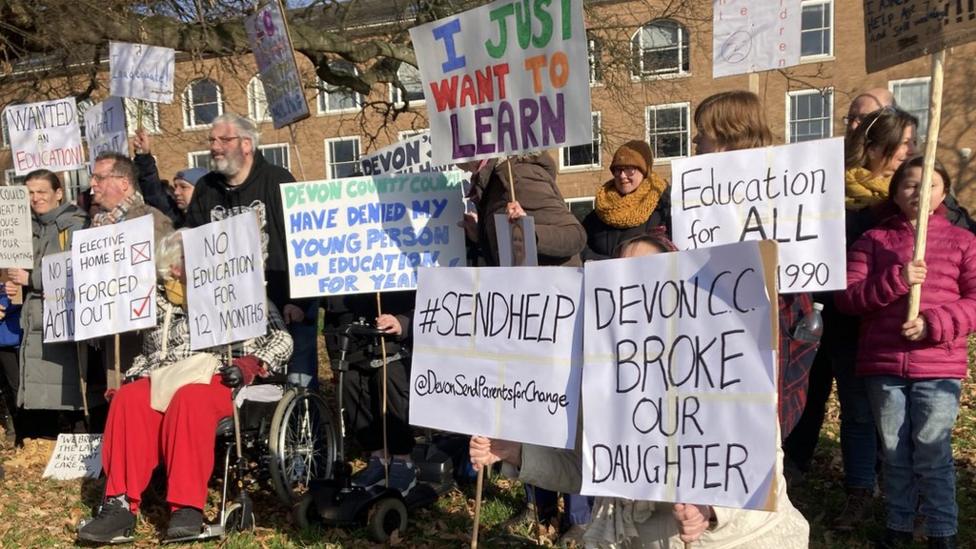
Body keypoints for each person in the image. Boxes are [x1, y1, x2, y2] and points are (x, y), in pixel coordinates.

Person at [470, 233, 810, 549]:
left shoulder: (724, 358)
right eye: (622, 276)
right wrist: (517, 452)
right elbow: (583, 468)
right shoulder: (604, 372)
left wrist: (711, 509)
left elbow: (760, 464)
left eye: (648, 273)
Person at [77, 230, 293, 544]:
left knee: (190, 399)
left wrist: (249, 364)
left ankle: (186, 507)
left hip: (221, 374)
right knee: (128, 399)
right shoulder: (159, 304)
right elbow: (151, 356)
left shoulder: (241, 290)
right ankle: (119, 504)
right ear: (174, 268)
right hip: (169, 375)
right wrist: (134, 376)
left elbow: (282, 339)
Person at [836, 156, 971, 549]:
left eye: (930, 184)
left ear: (943, 194)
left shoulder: (963, 241)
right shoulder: (873, 241)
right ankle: (898, 525)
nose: (919, 192)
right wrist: (898, 278)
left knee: (932, 448)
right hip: (884, 364)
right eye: (910, 184)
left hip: (938, 365)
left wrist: (935, 323)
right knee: (894, 450)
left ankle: (942, 531)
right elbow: (849, 297)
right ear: (895, 193)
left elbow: (974, 300)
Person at [457, 151, 587, 543]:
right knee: (531, 412)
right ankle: (540, 508)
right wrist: (482, 237)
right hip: (525, 324)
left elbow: (574, 235)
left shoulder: (519, 173)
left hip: (552, 323)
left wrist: (530, 228)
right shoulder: (488, 183)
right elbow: (514, 256)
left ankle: (579, 518)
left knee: (564, 418)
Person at [691, 90, 818, 440]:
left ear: (727, 134)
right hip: (711, 322)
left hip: (771, 318)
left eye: (702, 132)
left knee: (762, 425)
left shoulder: (782, 188)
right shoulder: (694, 194)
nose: (695, 141)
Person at [183, 113, 319, 388]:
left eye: (224, 139)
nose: (215, 147)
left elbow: (303, 244)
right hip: (229, 313)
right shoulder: (206, 189)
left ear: (246, 144)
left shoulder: (278, 180)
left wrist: (300, 301)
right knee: (239, 389)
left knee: (297, 386)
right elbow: (194, 246)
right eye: (212, 140)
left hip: (285, 305)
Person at [4, 170, 97, 440]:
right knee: (42, 394)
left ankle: (77, 445)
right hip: (33, 322)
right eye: (30, 193)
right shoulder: (26, 228)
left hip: (63, 322)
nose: (35, 198)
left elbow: (75, 269)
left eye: (42, 192)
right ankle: (45, 446)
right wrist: (15, 286)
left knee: (70, 394)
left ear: (58, 193)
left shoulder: (76, 225)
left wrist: (31, 279)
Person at [89, 152, 174, 386]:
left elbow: (167, 275)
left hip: (142, 339)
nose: (93, 184)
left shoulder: (152, 220)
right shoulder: (96, 225)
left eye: (99, 178)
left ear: (124, 183)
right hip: (111, 333)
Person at [323, 292, 417, 494]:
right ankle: (378, 458)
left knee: (388, 378)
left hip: (396, 339)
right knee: (350, 382)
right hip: (354, 337)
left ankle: (403, 460)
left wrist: (403, 321)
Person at [581, 139, 670, 261]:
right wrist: (604, 262)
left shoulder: (664, 206)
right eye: (618, 170)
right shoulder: (601, 211)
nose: (622, 176)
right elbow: (580, 245)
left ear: (644, 171)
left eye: (629, 169)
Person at [132, 129, 182, 225]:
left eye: (184, 187)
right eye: (176, 186)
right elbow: (153, 192)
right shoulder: (174, 216)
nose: (176, 192)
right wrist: (143, 156)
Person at [0, 273, 21, 443]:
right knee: (8, 386)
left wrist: (4, 306)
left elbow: (19, 291)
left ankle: (22, 429)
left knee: (17, 385)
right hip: (5, 337)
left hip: (13, 334)